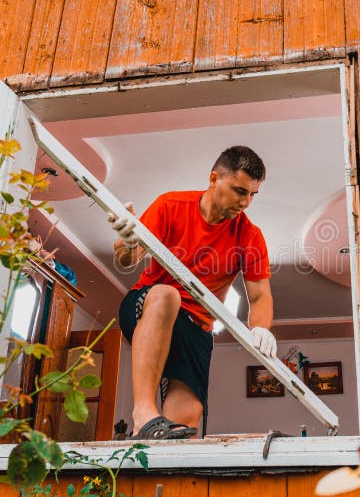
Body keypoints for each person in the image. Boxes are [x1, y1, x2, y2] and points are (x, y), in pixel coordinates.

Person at [108, 146, 278, 440]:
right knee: (167, 296)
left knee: (183, 428)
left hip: (195, 328)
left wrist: (261, 328)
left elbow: (260, 295)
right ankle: (143, 415)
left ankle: (153, 448)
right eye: (240, 191)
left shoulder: (249, 236)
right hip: (147, 307)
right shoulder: (170, 205)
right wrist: (128, 241)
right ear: (214, 179)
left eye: (253, 194)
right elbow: (128, 257)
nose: (246, 202)